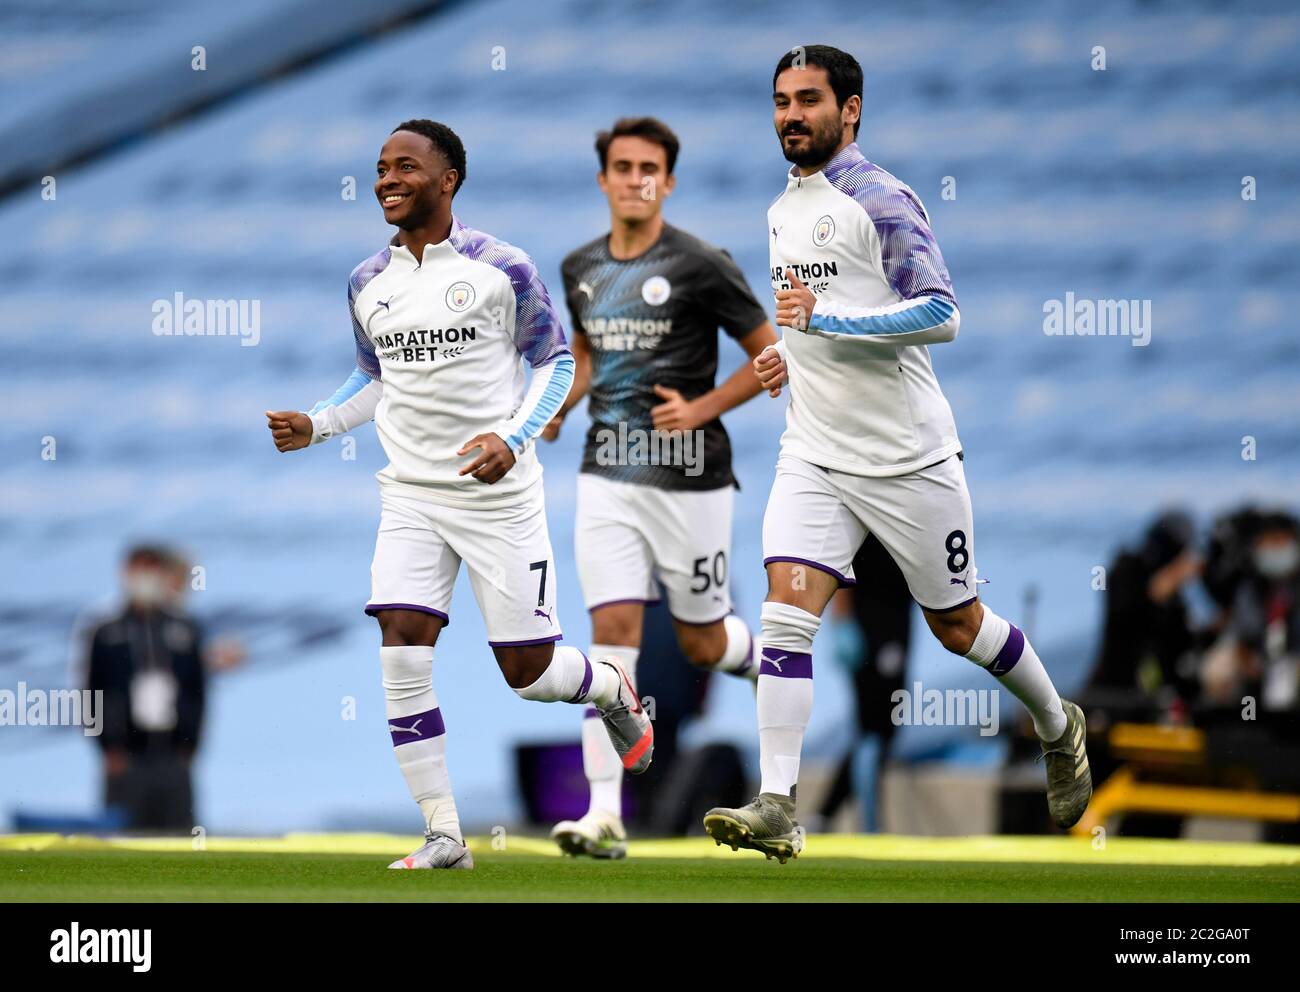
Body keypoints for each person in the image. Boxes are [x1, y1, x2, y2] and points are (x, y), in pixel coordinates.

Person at [704, 46, 1092, 861]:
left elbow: (941, 313)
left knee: (957, 625)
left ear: (850, 110)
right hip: (814, 452)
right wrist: (786, 355)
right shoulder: (782, 208)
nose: (790, 115)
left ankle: (1059, 726)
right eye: (780, 100)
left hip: (908, 458)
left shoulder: (880, 199)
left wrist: (827, 323)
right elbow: (809, 321)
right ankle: (779, 801)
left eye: (808, 99)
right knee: (785, 611)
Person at [265, 120, 652, 870]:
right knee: (402, 650)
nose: (387, 179)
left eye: (405, 166)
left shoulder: (501, 268)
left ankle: (610, 690)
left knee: (530, 676)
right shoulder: (365, 280)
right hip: (409, 495)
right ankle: (445, 834)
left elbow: (558, 362)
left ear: (448, 180)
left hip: (497, 498)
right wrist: (316, 424)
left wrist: (513, 437)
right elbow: (376, 378)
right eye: (380, 168)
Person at [543, 117, 777, 858]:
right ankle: (604, 812)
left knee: (703, 644)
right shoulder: (579, 266)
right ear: (604, 179)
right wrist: (557, 407)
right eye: (622, 166)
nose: (635, 178)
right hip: (608, 475)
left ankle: (766, 661)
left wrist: (700, 409)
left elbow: (771, 355)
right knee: (611, 647)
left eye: (649, 168)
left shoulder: (702, 264)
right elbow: (585, 355)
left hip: (692, 483)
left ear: (667, 181)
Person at [85, 544, 207, 831]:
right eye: (139, 569)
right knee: (124, 838)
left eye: (152, 569)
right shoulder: (106, 631)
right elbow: (91, 694)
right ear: (125, 573)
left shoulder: (184, 628)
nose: (146, 577)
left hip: (171, 751)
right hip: (126, 755)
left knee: (178, 834)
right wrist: (108, 748)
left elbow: (197, 692)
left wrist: (190, 745)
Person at [1088, 510, 1200, 703]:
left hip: (1156, 698)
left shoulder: (1175, 600)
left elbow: (1181, 644)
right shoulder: (1126, 569)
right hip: (1113, 691)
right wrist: (1166, 582)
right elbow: (1125, 617)